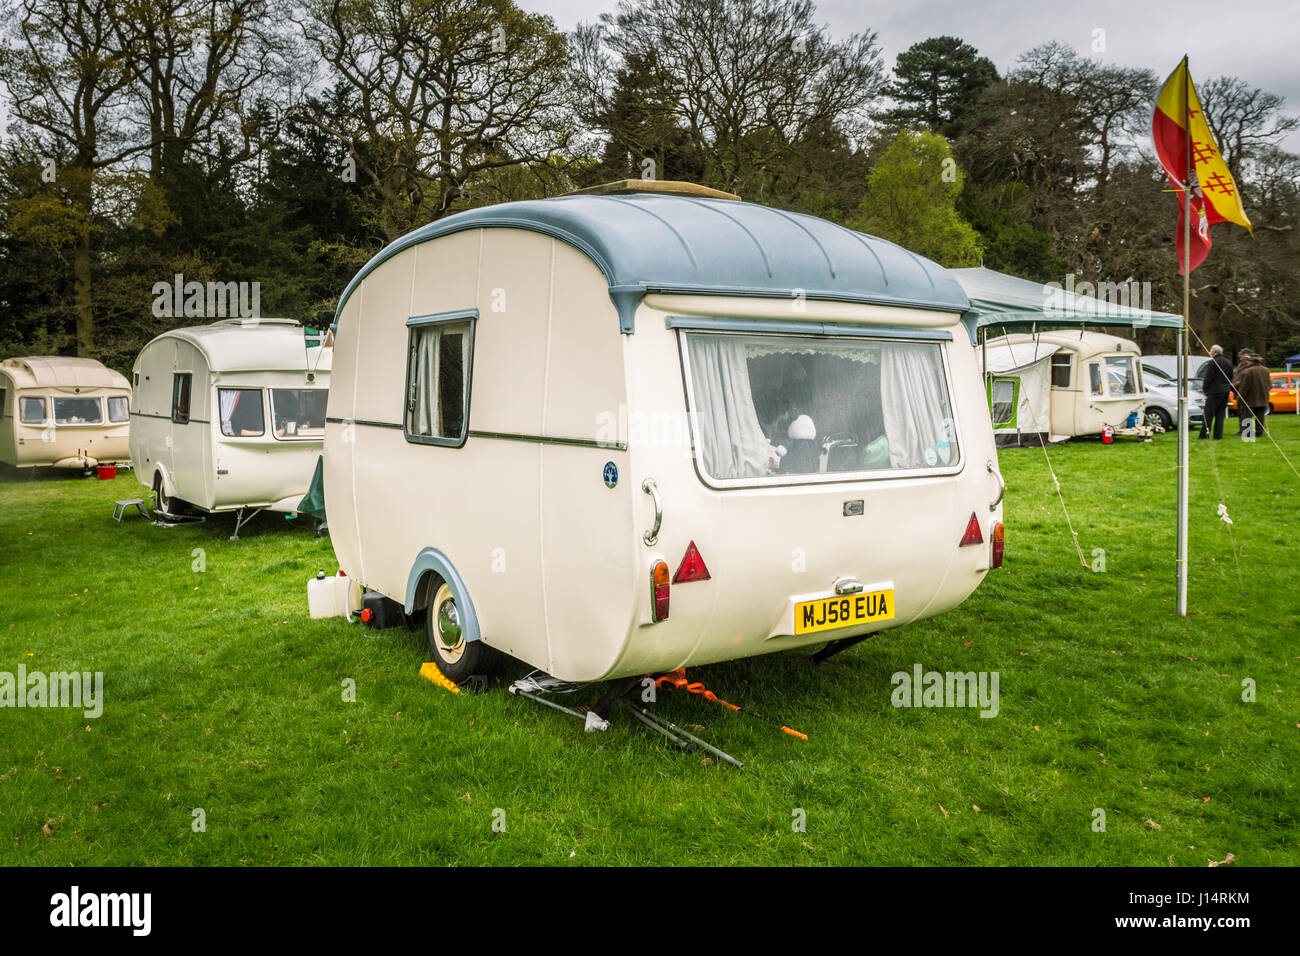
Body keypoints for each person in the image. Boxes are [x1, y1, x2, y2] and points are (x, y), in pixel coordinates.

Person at [1199, 344, 1234, 440]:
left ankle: (1204, 435)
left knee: (1208, 415)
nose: (1210, 353)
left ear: (1214, 353)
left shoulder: (1213, 362)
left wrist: (1205, 389)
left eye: (1210, 352)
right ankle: (1218, 435)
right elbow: (1231, 377)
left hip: (1214, 392)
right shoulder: (1228, 362)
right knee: (1220, 415)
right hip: (1225, 391)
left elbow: (1208, 377)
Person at [1233, 351, 1271, 438]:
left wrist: (1239, 399)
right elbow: (1269, 385)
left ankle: (1247, 433)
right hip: (1263, 398)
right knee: (1260, 416)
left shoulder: (1247, 371)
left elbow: (1244, 387)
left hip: (1249, 399)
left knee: (1247, 416)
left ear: (1251, 361)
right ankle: (1259, 432)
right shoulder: (1266, 370)